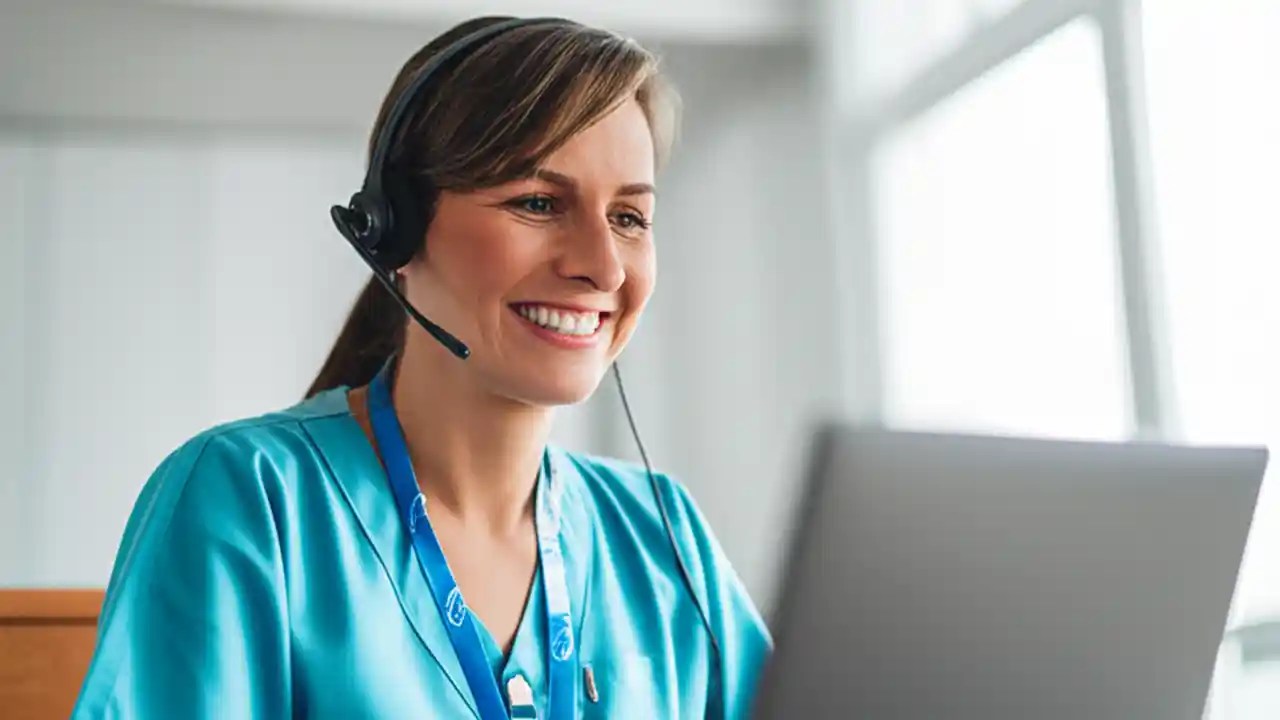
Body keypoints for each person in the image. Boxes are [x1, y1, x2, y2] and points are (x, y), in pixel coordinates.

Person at [71, 15, 771, 720]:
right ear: (393, 230)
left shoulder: (662, 532)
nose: (601, 265)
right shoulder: (248, 500)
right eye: (538, 203)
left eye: (628, 217)